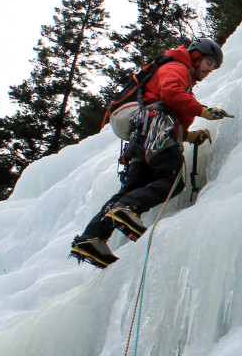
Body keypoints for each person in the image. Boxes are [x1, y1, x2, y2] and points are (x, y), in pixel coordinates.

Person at [70, 38, 230, 268]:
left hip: (141, 138)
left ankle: (92, 237)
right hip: (155, 129)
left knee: (131, 189)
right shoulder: (178, 66)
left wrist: (190, 136)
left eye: (213, 67)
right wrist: (203, 111)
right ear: (196, 55)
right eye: (208, 62)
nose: (209, 69)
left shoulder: (176, 71)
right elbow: (170, 93)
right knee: (173, 182)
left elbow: (169, 103)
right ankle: (128, 209)